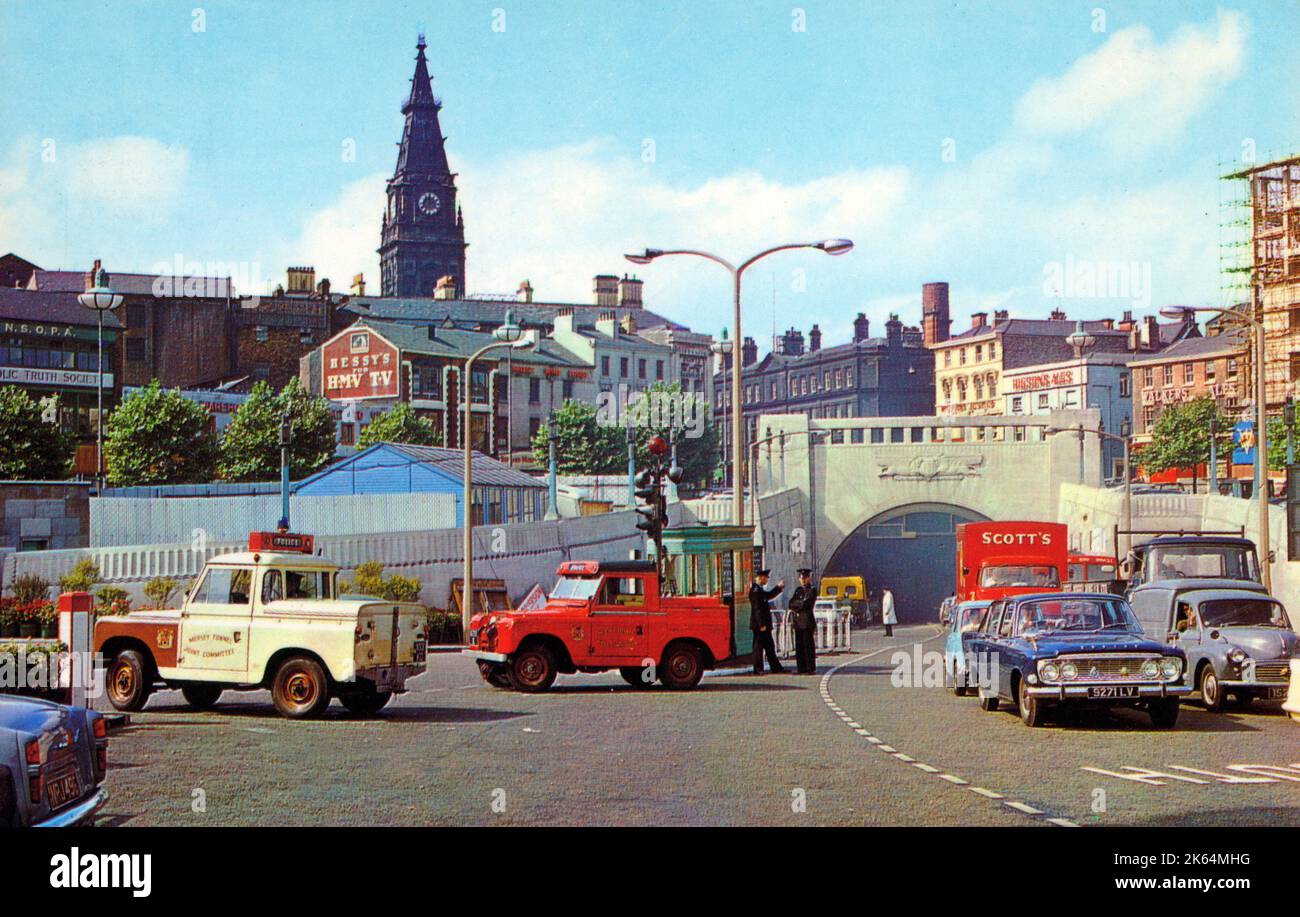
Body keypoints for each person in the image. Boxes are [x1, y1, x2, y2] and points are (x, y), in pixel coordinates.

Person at [749, 569, 785, 674]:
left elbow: (768, 595)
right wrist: (761, 624)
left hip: (764, 625)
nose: (767, 580)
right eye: (766, 578)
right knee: (758, 647)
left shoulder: (759, 590)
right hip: (760, 625)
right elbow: (757, 609)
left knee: (769, 646)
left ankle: (776, 668)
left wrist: (778, 588)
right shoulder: (755, 590)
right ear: (760, 578)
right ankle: (758, 669)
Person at [789, 568, 818, 674]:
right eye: (802, 578)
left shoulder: (812, 590)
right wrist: (799, 604)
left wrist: (798, 604)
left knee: (808, 646)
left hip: (807, 622)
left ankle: (810, 667)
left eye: (805, 578)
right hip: (798, 623)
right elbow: (790, 603)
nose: (803, 580)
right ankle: (801, 668)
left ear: (809, 578)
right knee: (799, 646)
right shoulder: (798, 590)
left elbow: (807, 604)